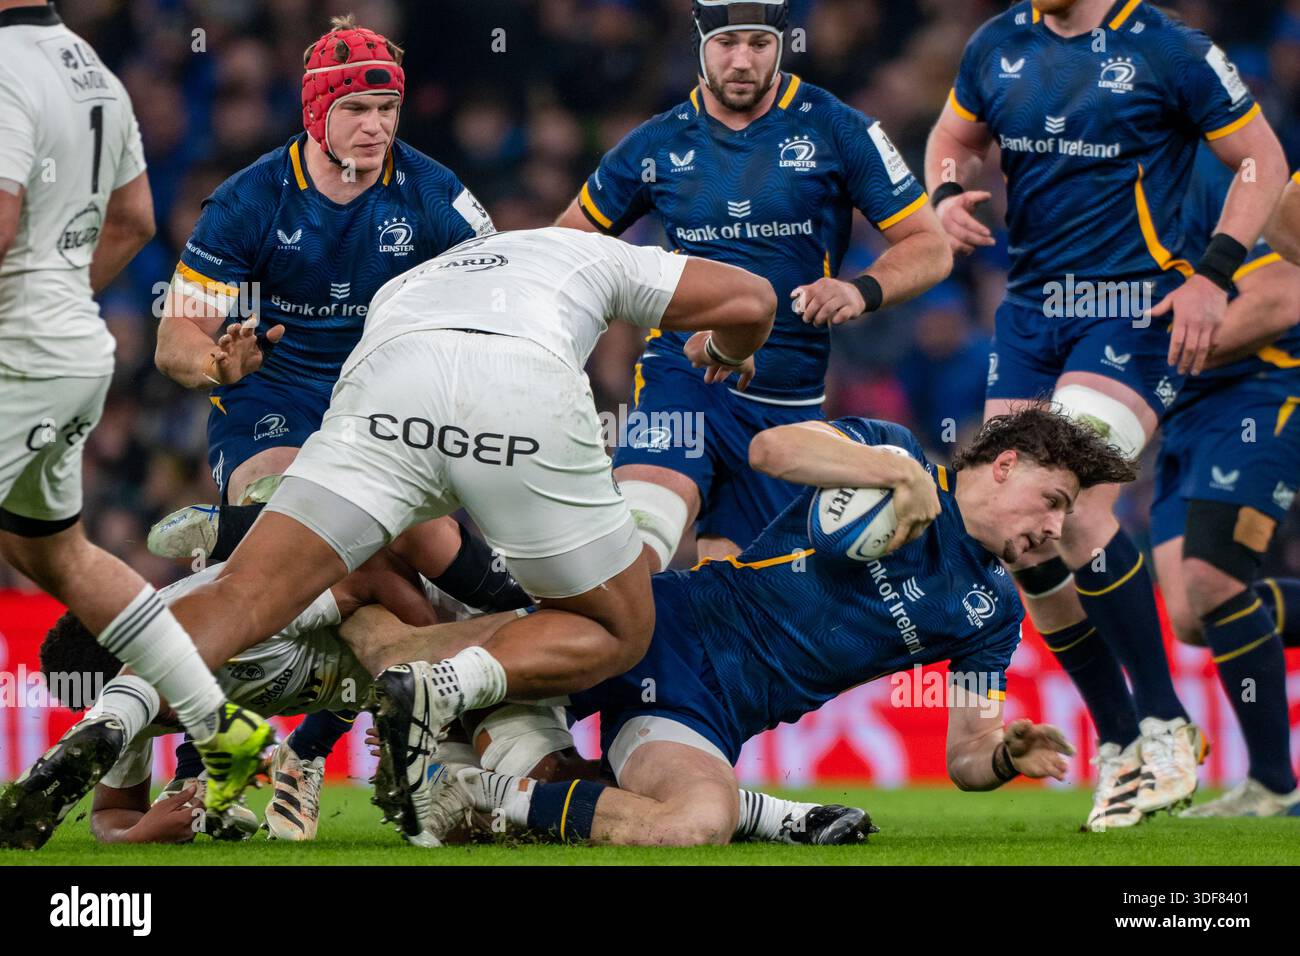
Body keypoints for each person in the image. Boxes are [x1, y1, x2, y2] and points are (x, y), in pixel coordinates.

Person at [147, 225, 774, 843]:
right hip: (501, 408)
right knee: (602, 626)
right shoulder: (590, 255)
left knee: (263, 590)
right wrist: (726, 350)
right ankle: (402, 701)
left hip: (382, 400)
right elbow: (753, 300)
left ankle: (130, 710)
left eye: (382, 111)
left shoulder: (412, 271)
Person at [396, 405, 1137, 846]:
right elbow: (770, 448)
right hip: (659, 622)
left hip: (702, 713)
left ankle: (482, 799)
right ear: (1005, 464)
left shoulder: (991, 612)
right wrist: (896, 476)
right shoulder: (889, 451)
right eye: (1055, 498)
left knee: (695, 824)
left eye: (1066, 513)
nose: (1057, 526)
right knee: (402, 667)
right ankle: (318, 715)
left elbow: (965, 758)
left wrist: (1004, 758)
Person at [146, 14, 523, 834]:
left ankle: (289, 754)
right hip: (270, 397)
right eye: (357, 109)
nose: (377, 126)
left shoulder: (432, 193)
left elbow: (506, 294)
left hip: (387, 406)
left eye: (387, 109)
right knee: (319, 541)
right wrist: (215, 365)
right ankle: (233, 761)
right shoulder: (251, 198)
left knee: (401, 585)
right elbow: (176, 338)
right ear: (316, 113)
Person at [924, 0, 1289, 829]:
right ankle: (1122, 737)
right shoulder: (996, 44)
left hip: (1132, 311)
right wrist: (946, 192)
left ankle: (1167, 725)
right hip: (1027, 316)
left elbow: (1260, 158)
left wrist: (1214, 275)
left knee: (1072, 499)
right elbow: (953, 138)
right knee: (1010, 529)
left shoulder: (1168, 47)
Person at [44, 560, 869, 847]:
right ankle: (771, 815)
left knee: (546, 776)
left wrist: (440, 664)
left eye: (148, 705)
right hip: (404, 694)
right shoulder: (131, 698)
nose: (157, 725)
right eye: (137, 717)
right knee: (526, 811)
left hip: (464, 635)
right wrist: (142, 826)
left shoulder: (238, 618)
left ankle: (768, 816)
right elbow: (112, 817)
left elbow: (369, 577)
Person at [0, 0, 269, 850]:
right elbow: (135, 221)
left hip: (19, 346)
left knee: (59, 554)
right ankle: (222, 731)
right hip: (75, 345)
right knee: (57, 554)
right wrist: (64, 301)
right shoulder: (93, 68)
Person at [554, 0, 952, 572]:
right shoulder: (655, 143)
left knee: (740, 605)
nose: (742, 60)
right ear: (698, 45)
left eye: (758, 44)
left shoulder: (838, 127)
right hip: (684, 375)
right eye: (726, 44)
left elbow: (930, 246)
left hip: (789, 403)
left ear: (783, 44)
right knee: (638, 548)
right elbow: (567, 249)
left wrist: (858, 290)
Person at [1150, 148, 1300, 818]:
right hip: (1186, 410)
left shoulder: (1221, 180)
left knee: (1213, 580)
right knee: (1190, 613)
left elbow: (1278, 298)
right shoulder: (1095, 204)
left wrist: (1152, 375)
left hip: (1260, 390)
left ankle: (1272, 783)